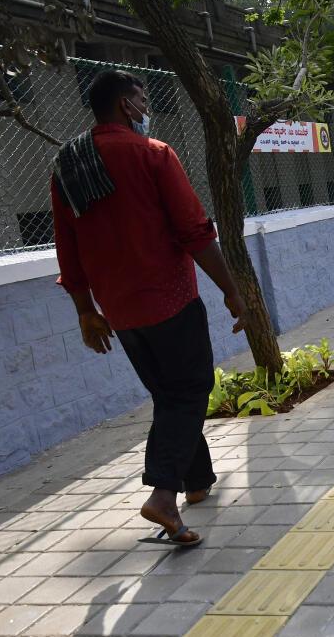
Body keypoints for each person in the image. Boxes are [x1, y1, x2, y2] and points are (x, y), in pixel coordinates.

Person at [51, 70, 248, 547]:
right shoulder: (152, 153)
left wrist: (85, 310)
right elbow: (194, 231)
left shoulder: (68, 164)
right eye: (141, 98)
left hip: (118, 310)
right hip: (169, 299)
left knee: (170, 393)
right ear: (125, 105)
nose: (146, 106)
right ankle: (163, 495)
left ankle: (197, 482)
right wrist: (232, 287)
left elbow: (67, 244)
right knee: (192, 388)